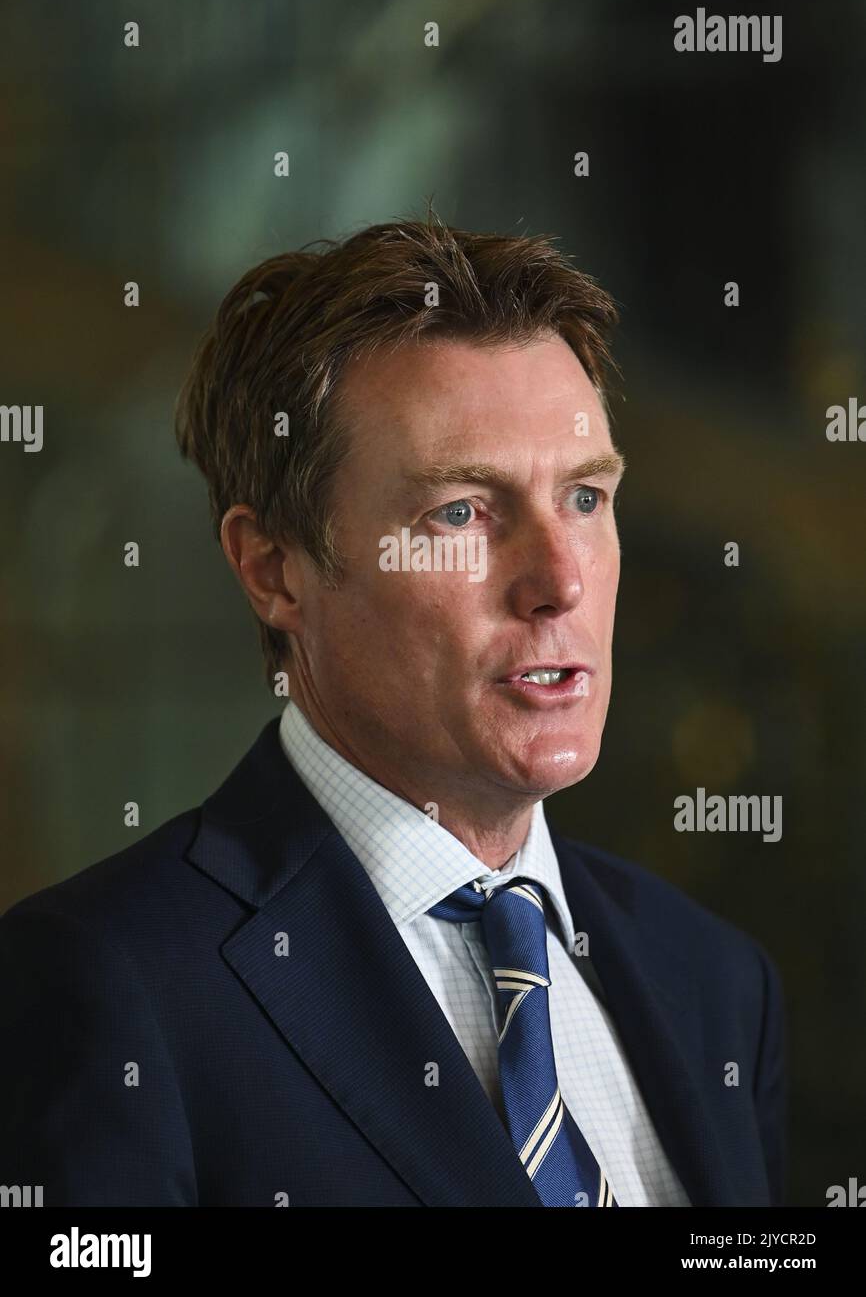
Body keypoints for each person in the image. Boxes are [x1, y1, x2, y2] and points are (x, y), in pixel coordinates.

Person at [0, 213, 786, 1206]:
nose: (558, 582)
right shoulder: (110, 985)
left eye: (584, 499)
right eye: (459, 513)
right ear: (273, 568)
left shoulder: (715, 984)